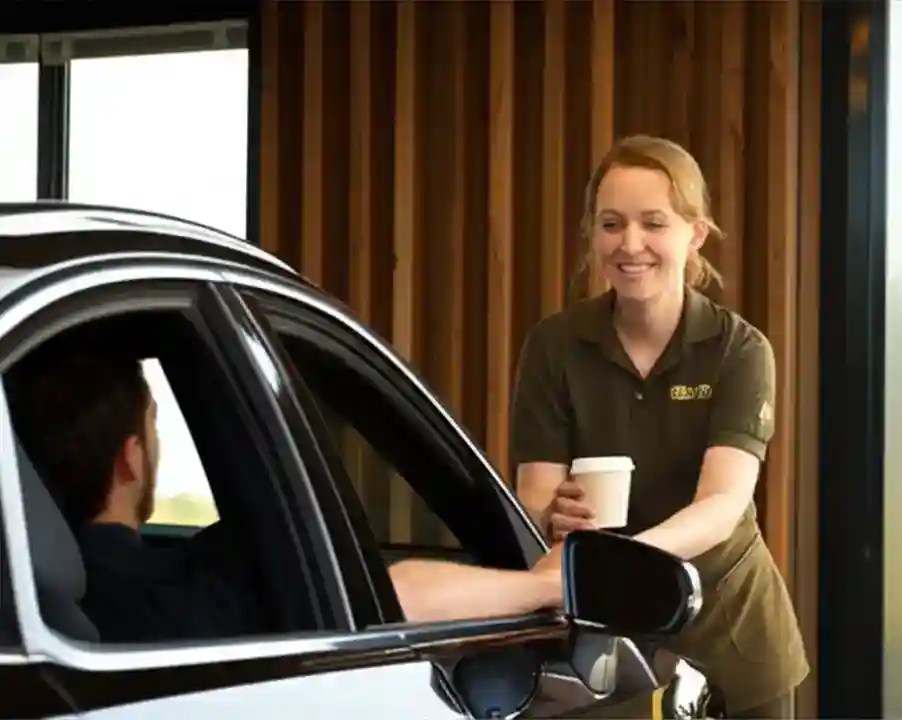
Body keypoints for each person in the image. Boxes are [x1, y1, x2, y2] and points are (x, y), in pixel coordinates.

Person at [511, 134, 808, 718]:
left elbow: (722, 506)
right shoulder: (556, 345)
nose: (631, 245)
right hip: (607, 649)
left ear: (694, 234)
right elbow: (536, 490)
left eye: (654, 223)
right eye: (612, 224)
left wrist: (620, 563)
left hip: (731, 643)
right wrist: (556, 511)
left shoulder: (738, 350)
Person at [5, 353, 562, 644]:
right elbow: (387, 598)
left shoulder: (24, 599)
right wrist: (543, 584)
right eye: (154, 425)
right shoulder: (205, 587)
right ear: (130, 457)